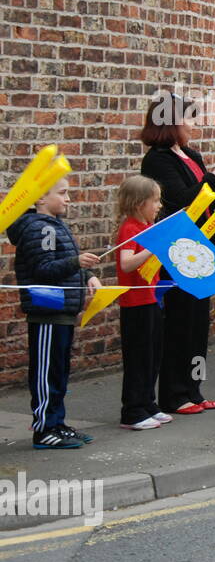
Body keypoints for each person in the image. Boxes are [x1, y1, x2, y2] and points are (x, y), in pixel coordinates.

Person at [140, 89, 215, 415]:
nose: (193, 125)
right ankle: (174, 394)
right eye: (188, 118)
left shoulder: (192, 156)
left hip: (203, 250)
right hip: (180, 251)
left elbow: (211, 198)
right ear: (170, 122)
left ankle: (195, 389)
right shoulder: (157, 160)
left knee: (199, 327)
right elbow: (183, 200)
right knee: (180, 324)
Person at [7, 178, 102, 449]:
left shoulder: (55, 225)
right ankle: (44, 429)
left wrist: (89, 275)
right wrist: (76, 262)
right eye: (62, 193)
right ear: (39, 199)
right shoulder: (40, 229)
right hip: (48, 309)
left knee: (59, 372)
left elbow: (64, 262)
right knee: (46, 373)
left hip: (62, 310)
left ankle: (57, 423)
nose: (68, 198)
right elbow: (44, 269)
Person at [114, 175, 169, 431]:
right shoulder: (129, 229)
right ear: (139, 204)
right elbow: (126, 263)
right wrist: (153, 248)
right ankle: (132, 410)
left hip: (151, 299)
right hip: (135, 303)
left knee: (152, 355)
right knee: (138, 357)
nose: (158, 206)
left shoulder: (147, 227)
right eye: (155, 201)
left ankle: (148, 403)